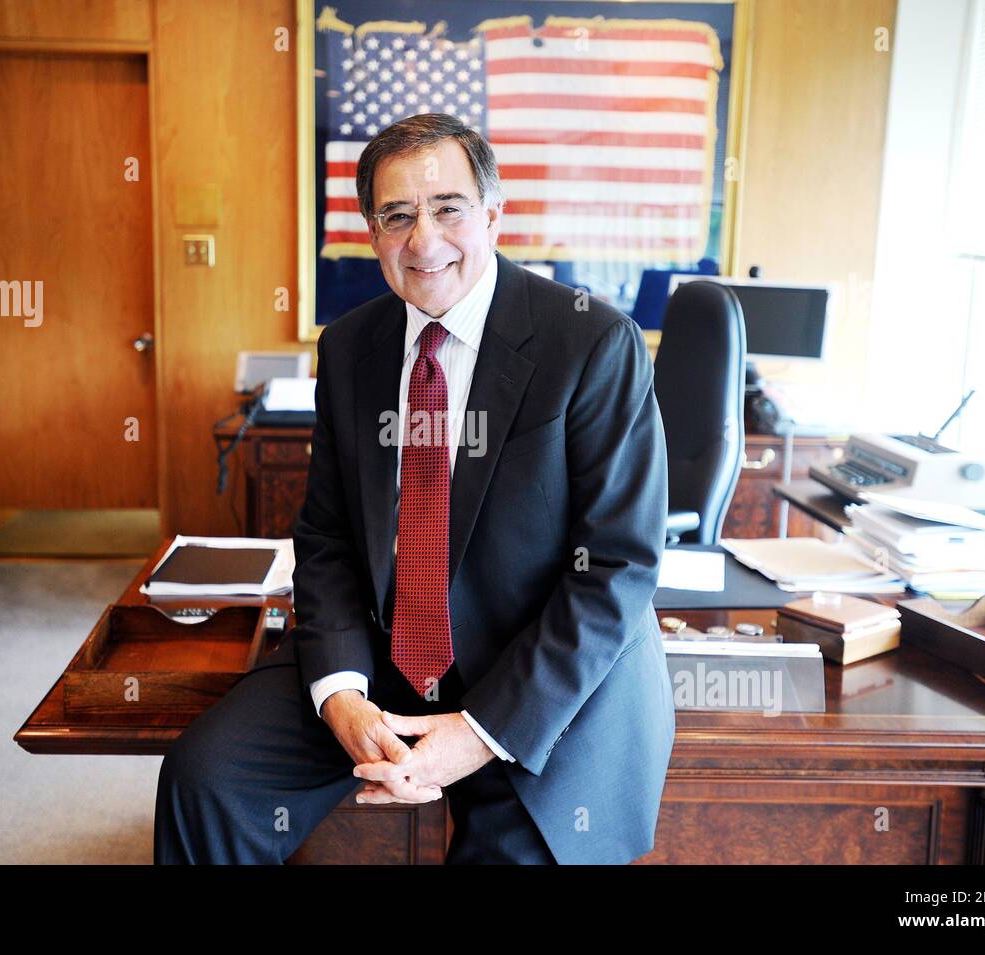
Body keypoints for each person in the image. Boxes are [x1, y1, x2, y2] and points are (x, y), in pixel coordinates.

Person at [154, 113, 675, 865]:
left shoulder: (592, 343)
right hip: (386, 651)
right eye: (396, 215)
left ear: (494, 213)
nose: (423, 240)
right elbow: (327, 537)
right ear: (372, 233)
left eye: (448, 208)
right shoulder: (348, 348)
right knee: (204, 779)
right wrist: (340, 693)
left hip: (541, 671)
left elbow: (619, 570)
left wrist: (478, 732)